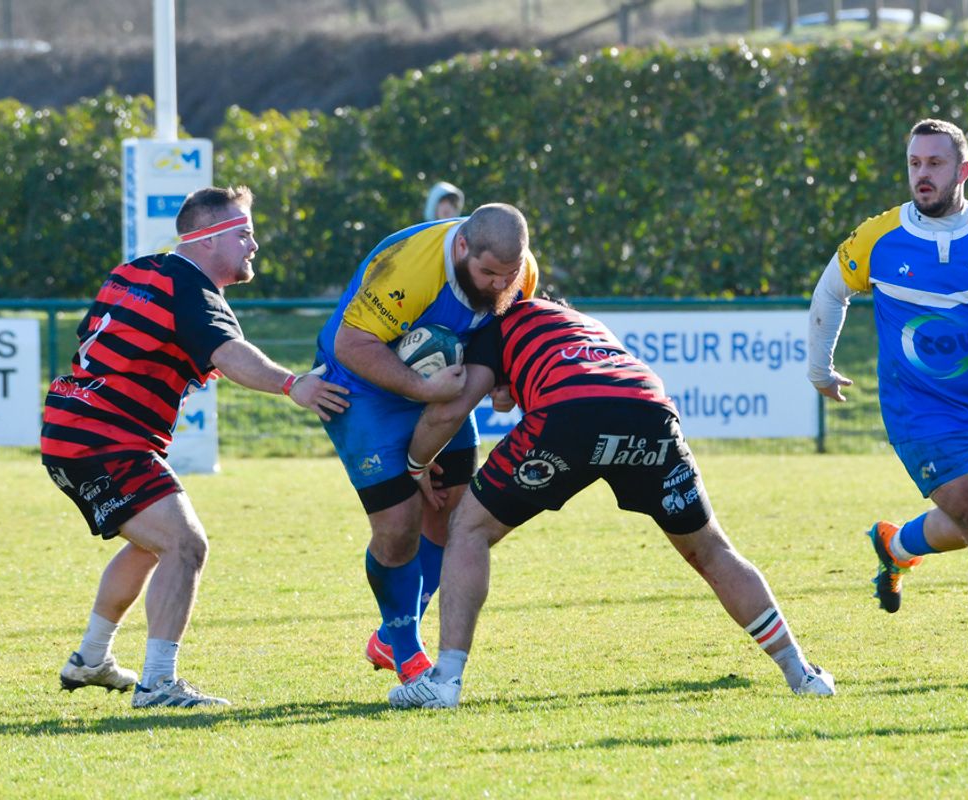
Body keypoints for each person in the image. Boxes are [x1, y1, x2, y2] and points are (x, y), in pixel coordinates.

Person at [388, 297, 836, 709]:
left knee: (469, 529)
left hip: (571, 411)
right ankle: (802, 674)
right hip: (650, 410)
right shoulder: (588, 326)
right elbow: (544, 386)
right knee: (712, 550)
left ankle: (444, 680)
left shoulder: (499, 325)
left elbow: (453, 408)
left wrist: (415, 465)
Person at [42, 185, 351, 708]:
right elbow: (231, 354)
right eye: (244, 233)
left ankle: (91, 657)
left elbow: (93, 337)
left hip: (72, 427)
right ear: (207, 239)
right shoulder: (193, 288)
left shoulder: (134, 270)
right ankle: (159, 683)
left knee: (151, 543)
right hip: (106, 438)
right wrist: (292, 384)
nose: (253, 244)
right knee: (186, 545)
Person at [806, 118, 968, 676]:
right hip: (919, 414)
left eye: (934, 164)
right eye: (914, 164)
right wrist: (820, 367)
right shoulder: (878, 238)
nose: (921, 175)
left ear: (963, 170)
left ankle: (895, 544)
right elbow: (830, 292)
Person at [313, 203, 538, 685]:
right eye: (489, 273)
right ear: (462, 247)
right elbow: (350, 345)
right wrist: (423, 390)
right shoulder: (414, 266)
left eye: (510, 273)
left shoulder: (520, 273)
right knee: (398, 528)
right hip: (361, 387)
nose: (502, 285)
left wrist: (506, 384)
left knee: (456, 516)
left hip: (439, 388)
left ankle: (390, 637)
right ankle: (407, 649)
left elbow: (505, 333)